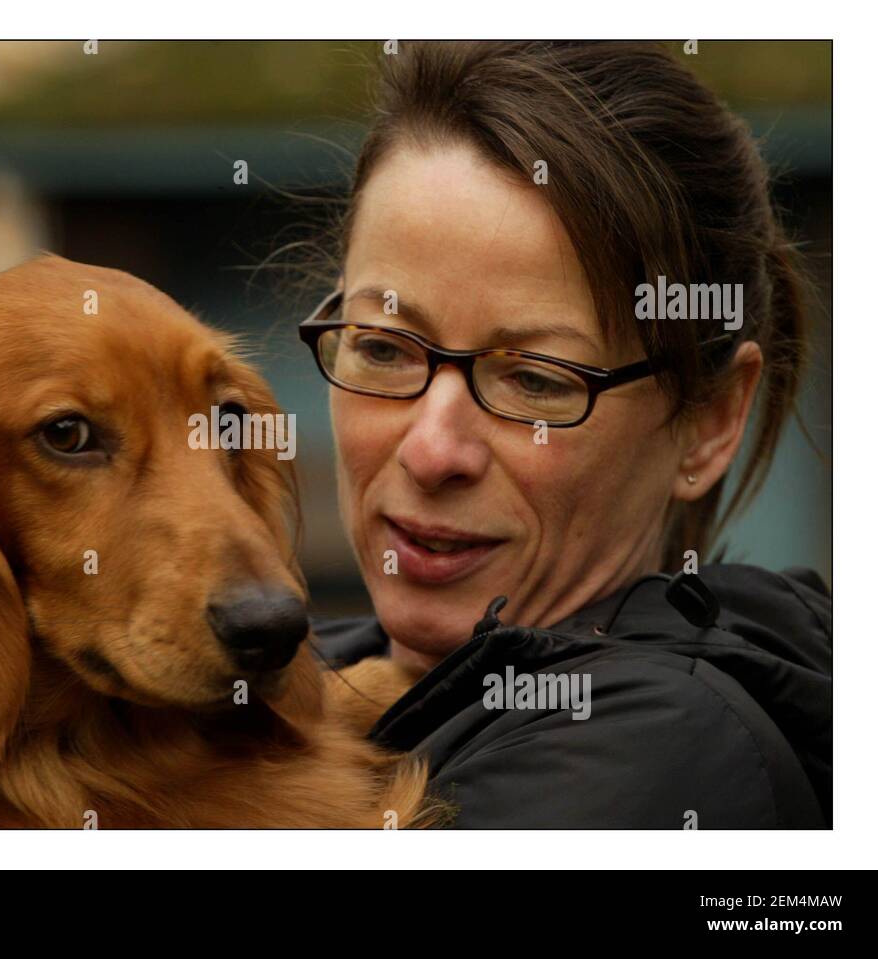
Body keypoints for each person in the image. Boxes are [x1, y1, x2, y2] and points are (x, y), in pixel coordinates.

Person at [300, 41, 830, 827]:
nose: (431, 450)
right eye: (384, 347)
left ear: (708, 423)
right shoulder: (299, 669)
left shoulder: (662, 747)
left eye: (537, 380)